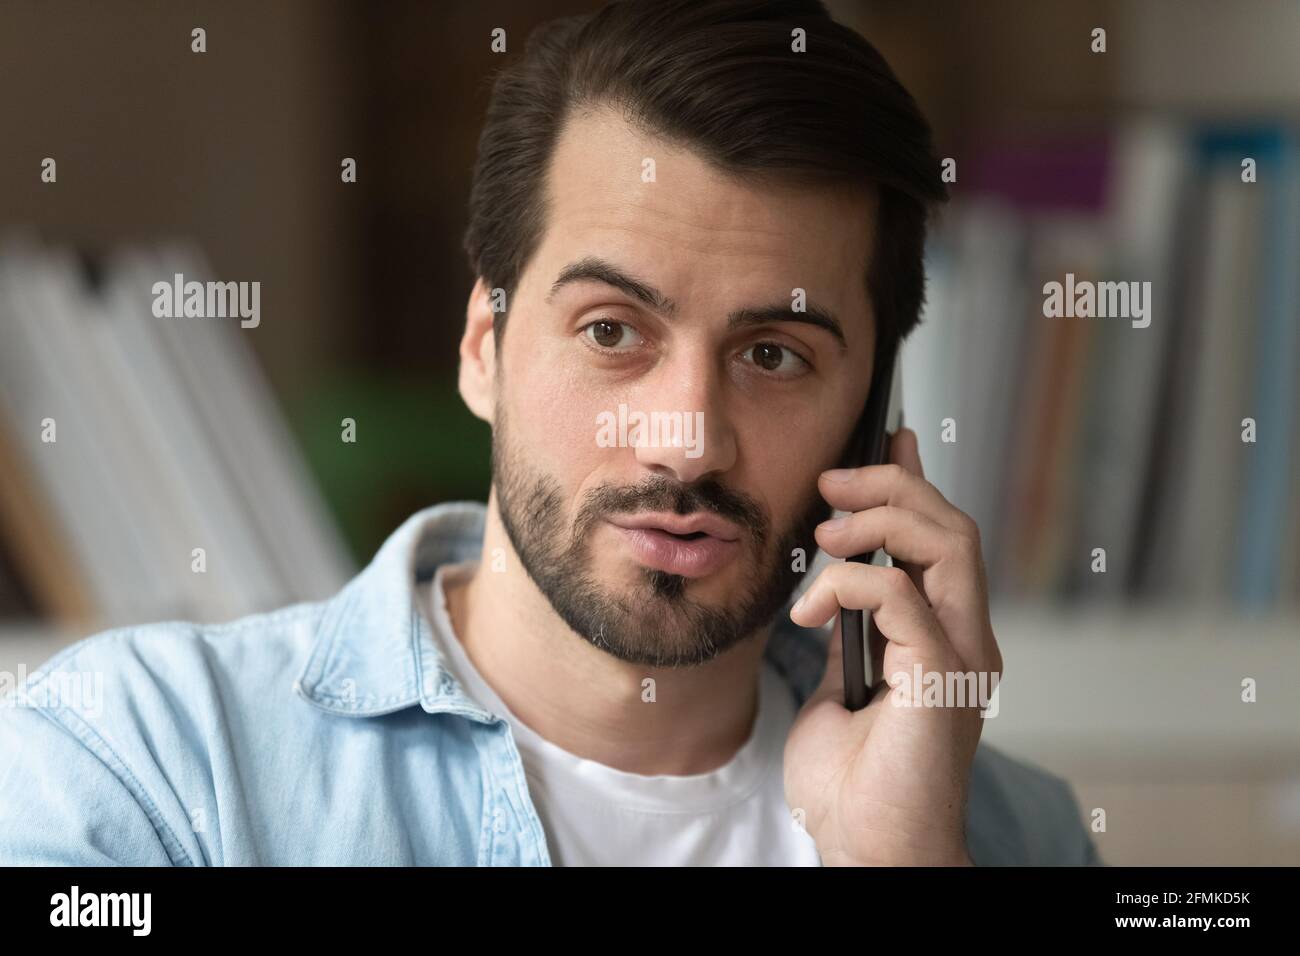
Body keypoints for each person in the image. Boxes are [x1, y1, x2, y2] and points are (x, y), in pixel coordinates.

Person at [0, 0, 1101, 866]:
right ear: (484, 344)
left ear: (872, 420)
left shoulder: (1012, 837)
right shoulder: (140, 763)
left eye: (773, 354)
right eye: (612, 330)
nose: (687, 441)